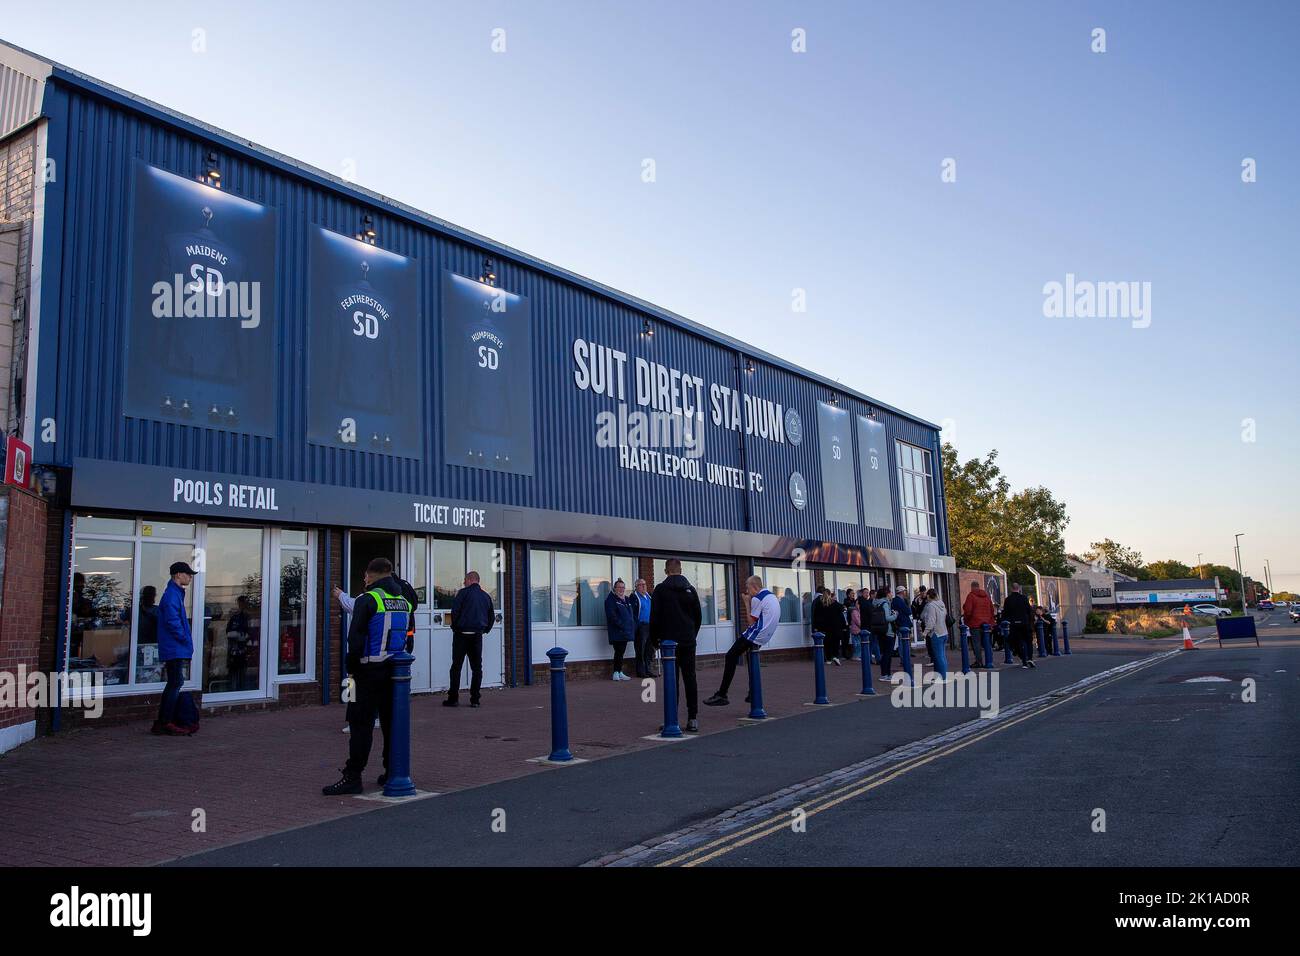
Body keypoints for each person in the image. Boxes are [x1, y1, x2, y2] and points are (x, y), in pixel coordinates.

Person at [322, 558, 413, 795]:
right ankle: (392, 770)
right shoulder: (403, 601)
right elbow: (408, 636)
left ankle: (353, 776)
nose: (364, 580)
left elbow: (356, 639)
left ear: (369, 575)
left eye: (365, 577)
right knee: (391, 724)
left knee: (359, 723)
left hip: (366, 672)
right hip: (394, 673)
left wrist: (351, 669)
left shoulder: (368, 599)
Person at [705, 574, 780, 707]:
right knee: (752, 661)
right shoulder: (771, 596)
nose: (746, 591)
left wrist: (746, 602)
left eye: (748, 587)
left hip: (756, 634)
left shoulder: (757, 598)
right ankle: (753, 692)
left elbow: (751, 622)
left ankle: (722, 694)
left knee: (730, 656)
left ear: (755, 586)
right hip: (766, 635)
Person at [651, 558, 703, 733]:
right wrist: (691, 635)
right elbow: (698, 617)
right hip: (688, 640)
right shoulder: (691, 590)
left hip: (668, 642)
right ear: (680, 570)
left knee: (671, 680)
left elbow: (654, 617)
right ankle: (693, 718)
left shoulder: (660, 590)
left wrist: (655, 640)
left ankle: (671, 718)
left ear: (666, 571)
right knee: (690, 677)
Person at [152, 562, 197, 736]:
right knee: (175, 682)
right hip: (175, 647)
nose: (190, 577)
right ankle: (165, 721)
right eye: (188, 574)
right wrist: (184, 639)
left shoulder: (175, 594)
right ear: (178, 575)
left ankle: (164, 721)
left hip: (175, 646)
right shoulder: (172, 595)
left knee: (174, 682)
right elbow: (173, 622)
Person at [446, 570, 494, 707]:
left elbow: (455, 612)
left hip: (461, 635)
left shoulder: (462, 593)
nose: (463, 582)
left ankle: (453, 698)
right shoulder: (486, 596)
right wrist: (485, 630)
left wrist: (455, 628)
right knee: (477, 668)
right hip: (477, 636)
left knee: (456, 667)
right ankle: (475, 699)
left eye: (465, 580)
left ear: (470, 580)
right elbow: (491, 616)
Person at [604, 578, 636, 681]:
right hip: (617, 631)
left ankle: (619, 671)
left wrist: (632, 625)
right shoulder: (611, 600)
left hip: (625, 631)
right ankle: (616, 672)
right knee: (618, 652)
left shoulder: (626, 599)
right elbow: (612, 616)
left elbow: (631, 614)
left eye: (623, 587)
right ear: (615, 588)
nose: (621, 589)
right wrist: (621, 625)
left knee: (621, 652)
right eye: (619, 587)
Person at [961, 579, 995, 668]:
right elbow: (992, 609)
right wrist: (991, 622)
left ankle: (979, 661)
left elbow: (968, 611)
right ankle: (989, 661)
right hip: (986, 624)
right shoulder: (987, 597)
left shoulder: (971, 596)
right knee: (987, 643)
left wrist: (966, 620)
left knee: (976, 644)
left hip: (975, 623)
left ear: (972, 587)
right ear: (979, 587)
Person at [1002, 582, 1036, 668]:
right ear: (1019, 589)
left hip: (1014, 623)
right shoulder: (1024, 598)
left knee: (1018, 641)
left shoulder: (1008, 599)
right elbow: (1029, 611)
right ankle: (1030, 658)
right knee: (1028, 641)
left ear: (1011, 589)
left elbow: (1005, 613)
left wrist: (1005, 620)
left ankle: (1024, 661)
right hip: (1024, 622)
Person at [868, 586, 898, 679]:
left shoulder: (875, 603)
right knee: (887, 654)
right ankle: (885, 674)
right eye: (890, 592)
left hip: (880, 631)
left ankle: (887, 673)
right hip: (887, 631)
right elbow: (887, 618)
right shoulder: (885, 603)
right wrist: (895, 615)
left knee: (884, 653)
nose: (891, 594)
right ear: (886, 594)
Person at [811, 587, 847, 665]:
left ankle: (828, 659)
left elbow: (816, 616)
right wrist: (844, 625)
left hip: (824, 627)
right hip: (835, 627)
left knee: (827, 643)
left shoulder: (819, 604)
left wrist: (816, 627)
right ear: (830, 595)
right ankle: (835, 656)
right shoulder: (834, 603)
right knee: (836, 642)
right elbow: (842, 610)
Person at [226, 594, 253, 692]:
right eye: (240, 603)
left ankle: (242, 689)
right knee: (233, 670)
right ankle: (233, 691)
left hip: (245, 649)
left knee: (243, 670)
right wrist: (237, 635)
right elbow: (228, 632)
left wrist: (246, 637)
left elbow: (252, 633)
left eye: (244, 603)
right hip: (234, 648)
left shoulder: (249, 617)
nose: (242, 605)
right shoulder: (235, 617)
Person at [920, 588, 950, 678]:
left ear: (929, 596)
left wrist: (925, 632)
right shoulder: (941, 604)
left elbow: (931, 621)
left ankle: (942, 676)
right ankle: (939, 675)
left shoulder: (931, 606)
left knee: (938, 657)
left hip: (936, 633)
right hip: (944, 632)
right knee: (942, 656)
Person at [630, 578, 655, 678]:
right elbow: (632, 614)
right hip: (641, 627)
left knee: (649, 649)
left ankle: (648, 670)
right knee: (640, 649)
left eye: (644, 584)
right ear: (636, 587)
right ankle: (641, 671)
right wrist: (637, 625)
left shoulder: (649, 596)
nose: (643, 586)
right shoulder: (634, 597)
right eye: (640, 585)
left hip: (650, 626)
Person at [844, 587, 862, 660]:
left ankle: (857, 654)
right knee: (854, 641)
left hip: (854, 623)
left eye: (854, 593)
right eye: (852, 593)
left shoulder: (854, 601)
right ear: (848, 595)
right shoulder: (846, 602)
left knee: (857, 641)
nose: (853, 595)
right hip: (850, 623)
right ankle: (853, 655)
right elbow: (848, 609)